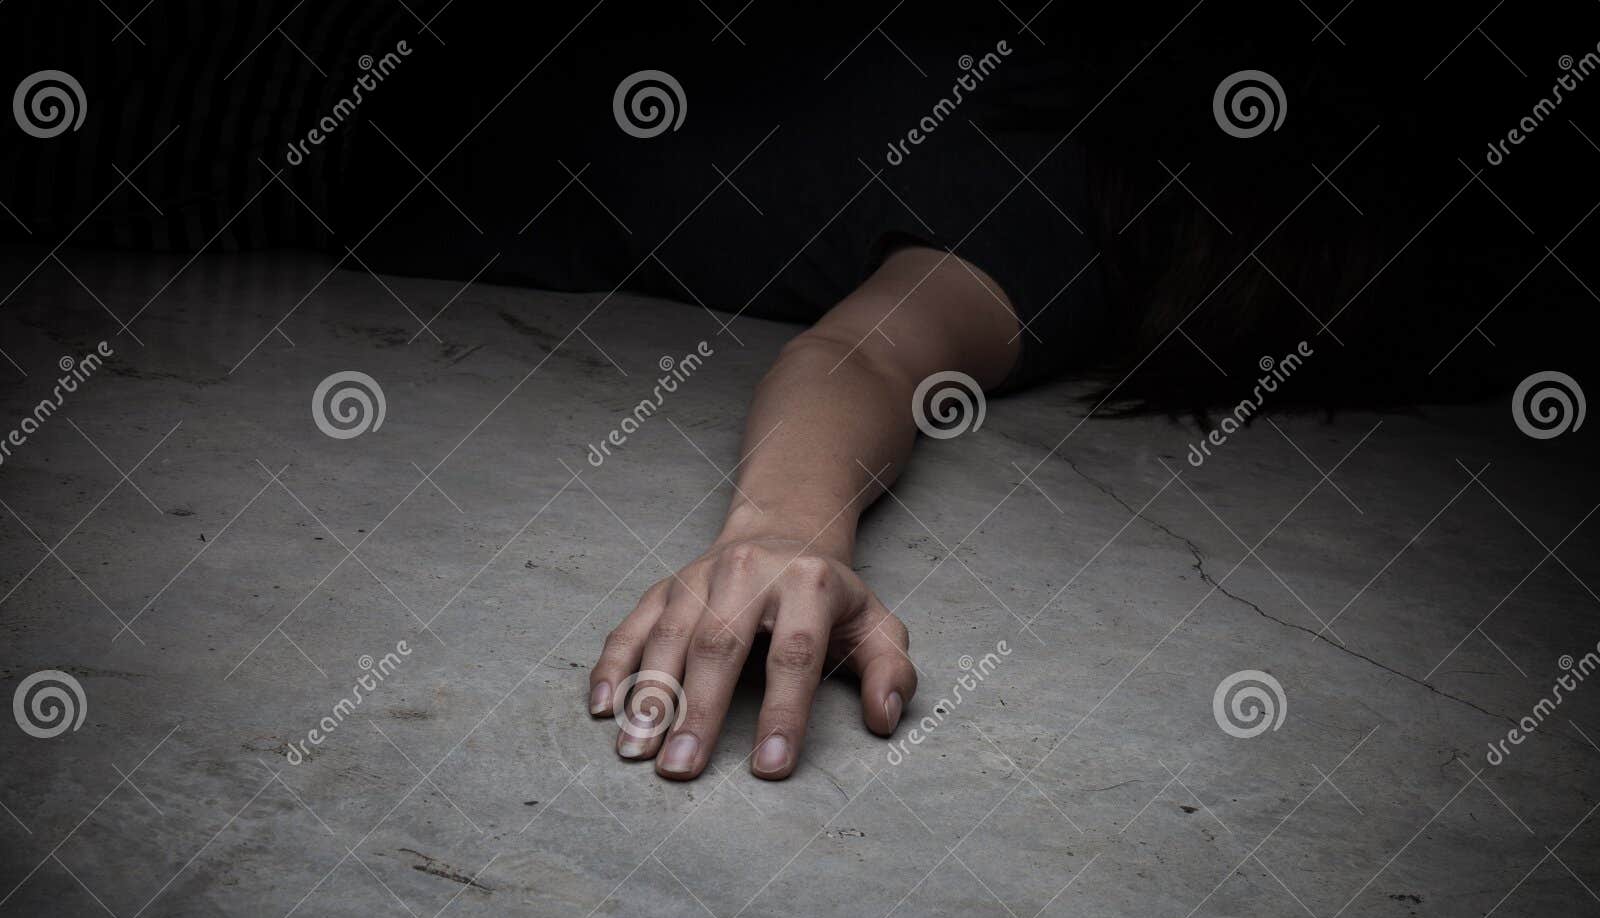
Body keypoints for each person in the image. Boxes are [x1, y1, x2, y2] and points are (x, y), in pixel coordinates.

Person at [5, 3, 1586, 780]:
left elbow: (871, 352)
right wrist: (775, 530)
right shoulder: (1050, 155)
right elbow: (870, 348)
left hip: (305, 136)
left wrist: (783, 529)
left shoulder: (1041, 190)